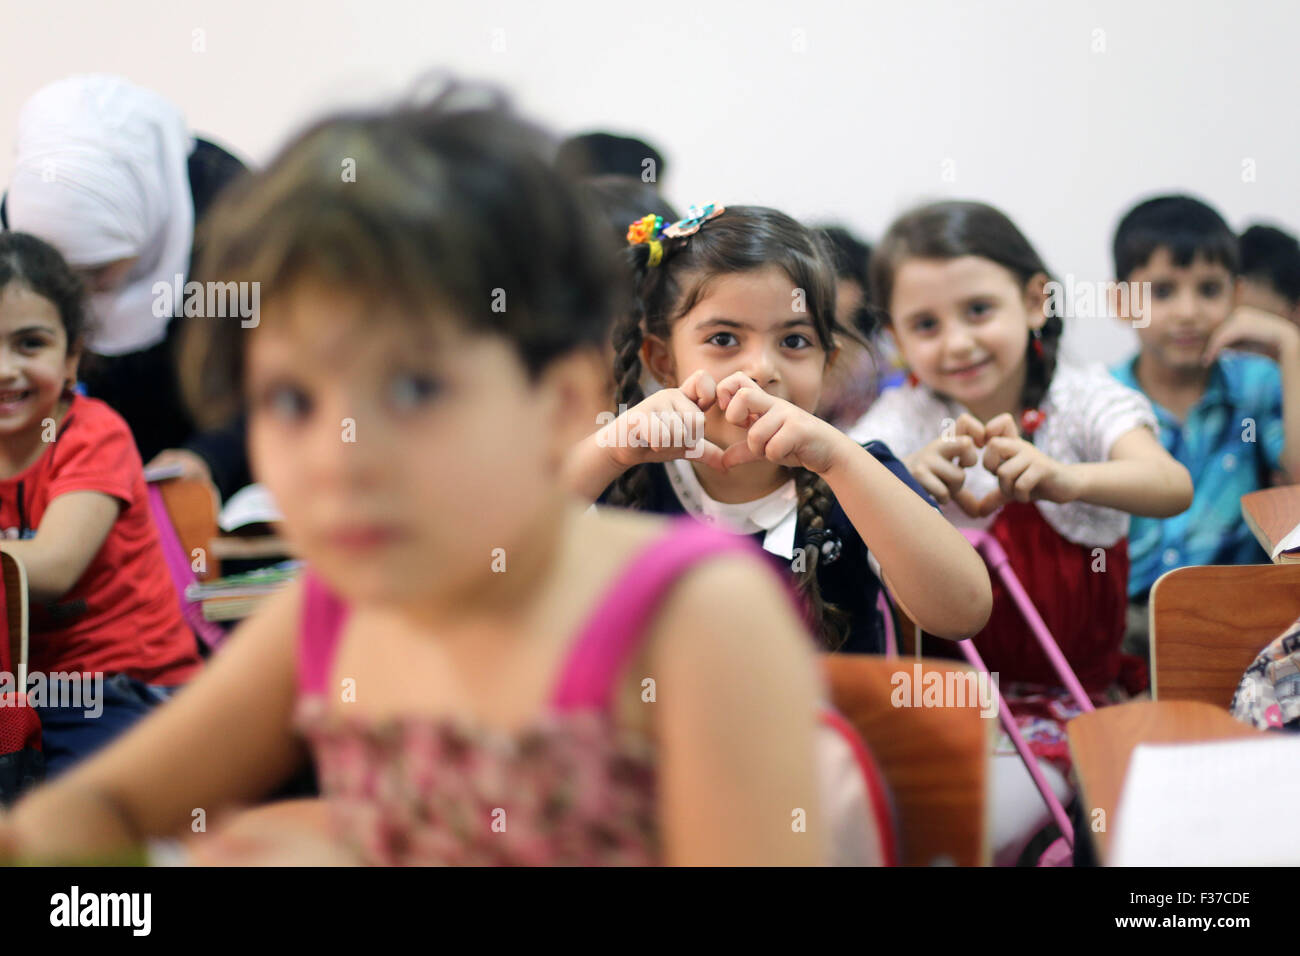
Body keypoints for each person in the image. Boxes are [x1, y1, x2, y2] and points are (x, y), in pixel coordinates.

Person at [0, 87, 830, 866]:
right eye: (289, 398)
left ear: (561, 399)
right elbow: (94, 810)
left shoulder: (690, 618)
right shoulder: (330, 614)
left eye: (415, 388)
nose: (340, 453)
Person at [849, 200, 1192, 863]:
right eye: (925, 324)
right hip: (947, 701)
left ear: (1037, 301)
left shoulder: (1082, 400)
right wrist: (902, 476)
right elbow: (844, 484)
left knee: (961, 831)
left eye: (978, 310)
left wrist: (1067, 479)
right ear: (896, 335)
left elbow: (1170, 485)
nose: (956, 343)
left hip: (1071, 699)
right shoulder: (905, 414)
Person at [566, 203, 992, 653]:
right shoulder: (627, 478)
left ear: (828, 363)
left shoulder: (856, 473)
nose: (762, 369)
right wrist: (608, 452)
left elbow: (964, 611)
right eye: (724, 339)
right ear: (664, 361)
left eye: (794, 341)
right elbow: (500, 562)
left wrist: (841, 459)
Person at [0, 232, 200, 781]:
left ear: (72, 358)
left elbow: (55, 566)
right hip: (22, 693)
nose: (5, 369)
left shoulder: (94, 435)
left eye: (29, 344)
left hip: (124, 685)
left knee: (78, 810)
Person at [3, 74, 250, 500]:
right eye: (60, 277)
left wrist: (211, 458)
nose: (78, 297)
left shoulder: (236, 225)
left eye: (95, 272)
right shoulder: (26, 219)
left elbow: (282, 377)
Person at [1108, 196, 1300, 653]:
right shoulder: (1102, 397)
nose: (1189, 312)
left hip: (1239, 616)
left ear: (1236, 296)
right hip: (1126, 620)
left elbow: (1297, 473)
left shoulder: (1256, 383)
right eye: (1163, 292)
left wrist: (1291, 347)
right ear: (1121, 302)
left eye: (1209, 290)